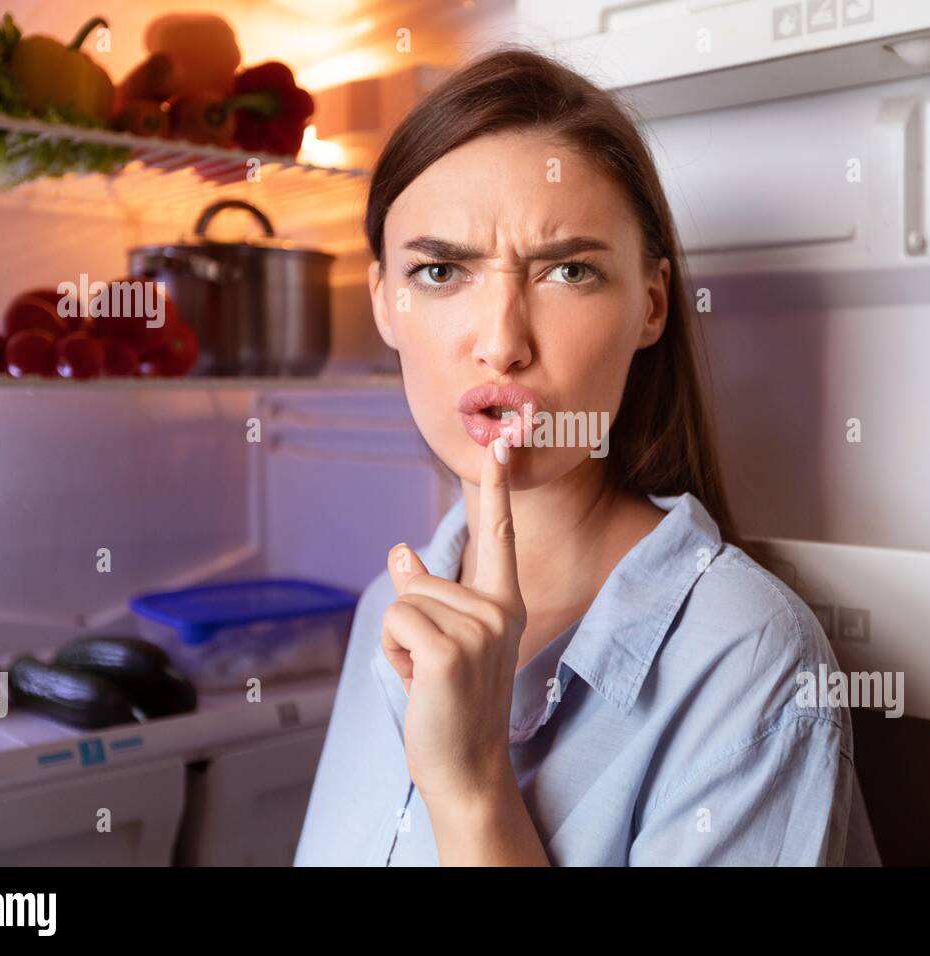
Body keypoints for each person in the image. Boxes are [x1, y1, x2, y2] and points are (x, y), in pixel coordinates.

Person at [294, 45, 881, 866]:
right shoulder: (380, 620)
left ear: (650, 305)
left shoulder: (748, 662)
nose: (501, 343)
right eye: (439, 271)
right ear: (384, 305)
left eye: (569, 270)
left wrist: (471, 788)